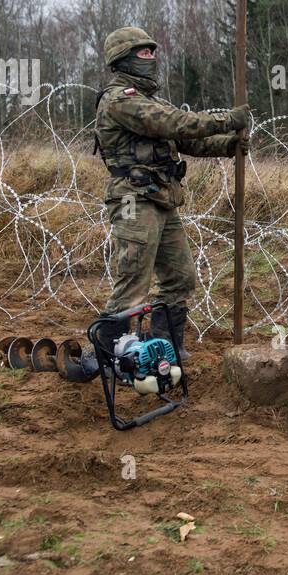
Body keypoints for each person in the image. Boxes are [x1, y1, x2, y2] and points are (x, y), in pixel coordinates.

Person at [93, 26, 249, 359]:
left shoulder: (150, 100)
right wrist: (225, 119)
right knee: (133, 281)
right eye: (143, 52)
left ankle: (165, 348)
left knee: (180, 278)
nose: (151, 58)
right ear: (123, 59)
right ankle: (107, 356)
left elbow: (189, 141)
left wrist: (229, 145)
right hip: (134, 200)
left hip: (162, 198)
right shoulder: (121, 100)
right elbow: (174, 124)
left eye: (152, 52)